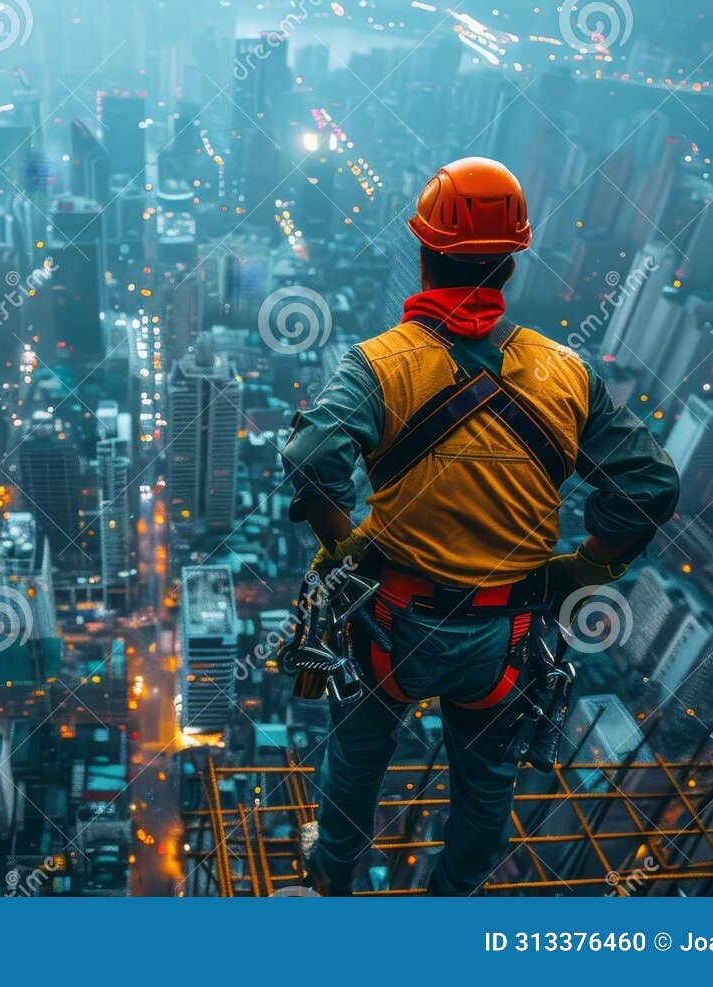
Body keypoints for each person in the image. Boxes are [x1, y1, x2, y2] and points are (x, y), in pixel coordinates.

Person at [281, 156, 679, 896]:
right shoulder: (567, 372)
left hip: (392, 621)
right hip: (504, 634)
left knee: (358, 756)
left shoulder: (379, 365)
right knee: (486, 785)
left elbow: (311, 455)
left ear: (425, 254)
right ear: (511, 265)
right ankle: (451, 902)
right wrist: (585, 566)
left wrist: (348, 543)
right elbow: (651, 484)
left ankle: (336, 874)